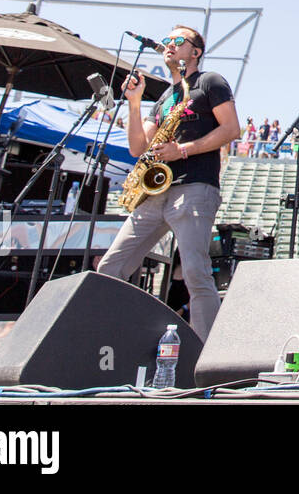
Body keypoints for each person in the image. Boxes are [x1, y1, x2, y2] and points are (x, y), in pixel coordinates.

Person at [97, 26, 240, 340]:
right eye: (167, 41)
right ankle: (107, 343)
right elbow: (138, 148)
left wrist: (183, 150)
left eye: (178, 41)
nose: (169, 45)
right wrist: (134, 103)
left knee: (195, 274)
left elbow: (231, 129)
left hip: (194, 187)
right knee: (110, 267)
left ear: (195, 52)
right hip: (155, 192)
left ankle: (206, 359)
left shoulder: (210, 82)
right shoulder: (163, 97)